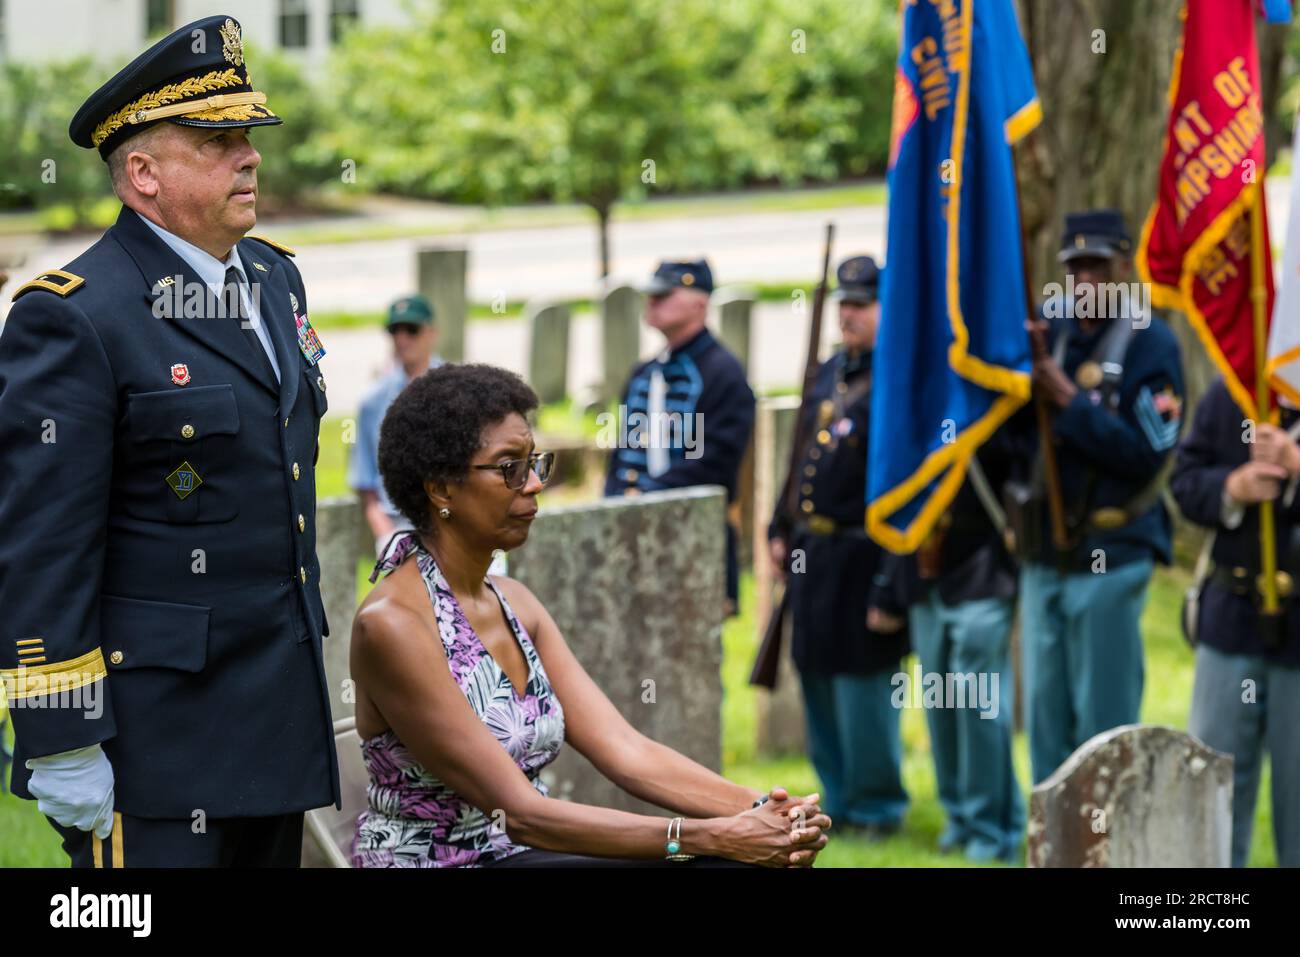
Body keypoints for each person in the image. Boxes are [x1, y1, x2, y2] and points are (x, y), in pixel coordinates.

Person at [0, 15, 339, 866]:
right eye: (217, 140)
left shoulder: (272, 276)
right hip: (154, 743)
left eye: (248, 136)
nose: (250, 156)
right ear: (143, 172)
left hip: (277, 722)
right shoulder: (75, 315)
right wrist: (63, 736)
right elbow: (44, 543)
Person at [351, 363, 830, 867]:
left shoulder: (515, 603)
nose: (534, 483)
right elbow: (521, 813)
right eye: (509, 467)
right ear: (441, 489)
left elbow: (626, 750)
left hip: (520, 852)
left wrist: (766, 809)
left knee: (750, 857)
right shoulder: (394, 624)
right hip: (449, 860)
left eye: (535, 462)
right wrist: (713, 836)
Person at [1014, 209, 1184, 786]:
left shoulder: (1150, 343)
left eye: (1098, 267)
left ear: (1123, 268)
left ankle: (1107, 841)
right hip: (1045, 555)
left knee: (1102, 722)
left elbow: (1149, 452)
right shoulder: (1049, 335)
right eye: (1076, 268)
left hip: (1111, 552)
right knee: (1045, 717)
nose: (1085, 282)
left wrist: (1072, 404)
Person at [767, 255, 910, 839]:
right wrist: (780, 525)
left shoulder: (900, 379)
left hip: (865, 555)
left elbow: (905, 485)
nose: (847, 314)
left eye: (860, 304)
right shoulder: (829, 371)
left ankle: (878, 807)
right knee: (817, 673)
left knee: (863, 685)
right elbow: (802, 454)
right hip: (814, 555)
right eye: (843, 303)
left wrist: (893, 582)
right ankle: (840, 798)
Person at [1170, 377, 1300, 867]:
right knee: (1212, 793)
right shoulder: (1231, 393)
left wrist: (1295, 465)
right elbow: (1183, 480)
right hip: (1232, 621)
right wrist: (1232, 487)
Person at [604, 259, 756, 616]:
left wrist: (643, 498)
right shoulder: (645, 372)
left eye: (664, 295)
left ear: (699, 304)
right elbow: (622, 455)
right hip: (629, 535)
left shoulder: (723, 375)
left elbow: (714, 466)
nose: (652, 303)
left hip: (689, 536)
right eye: (651, 296)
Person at [902, 424, 1024, 862]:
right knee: (938, 698)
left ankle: (993, 828)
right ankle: (958, 814)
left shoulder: (989, 380)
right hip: (925, 566)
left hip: (984, 562)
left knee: (978, 701)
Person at [350, 293, 444, 552]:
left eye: (411, 330)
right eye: (395, 331)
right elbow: (365, 479)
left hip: (453, 518)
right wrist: (386, 537)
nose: (402, 339)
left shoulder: (458, 391)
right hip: (398, 523)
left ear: (432, 332)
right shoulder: (372, 402)